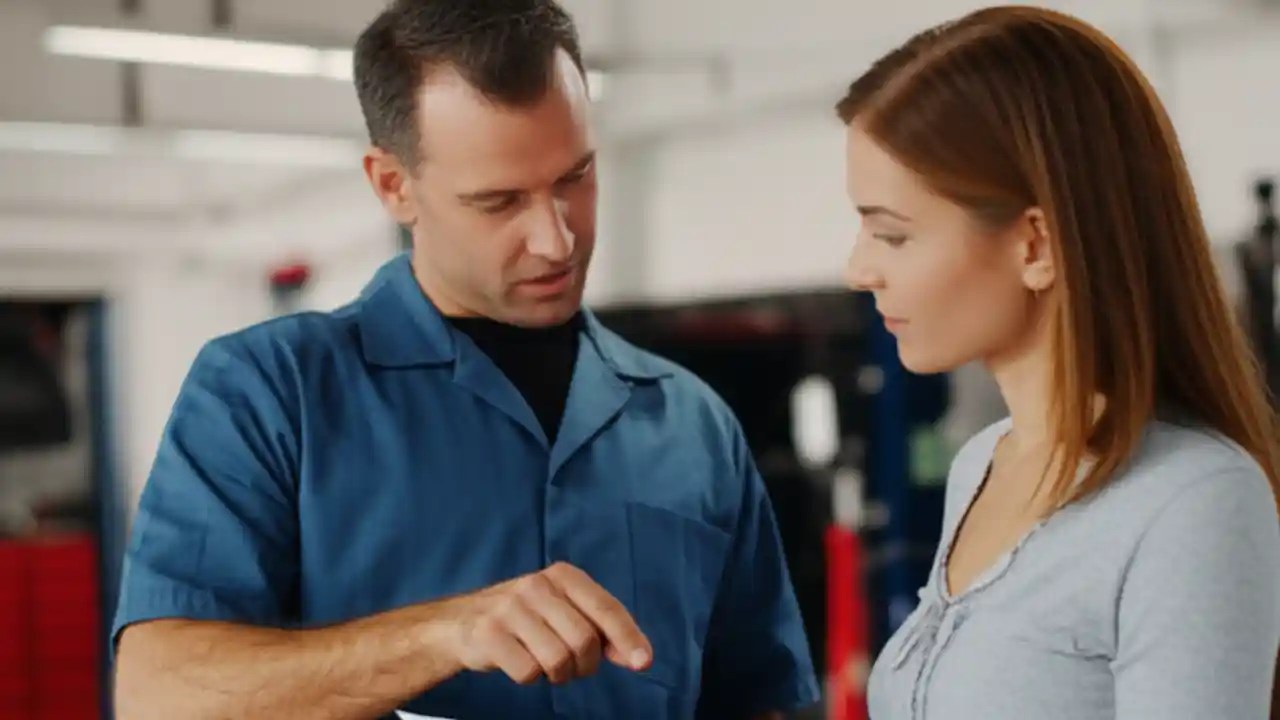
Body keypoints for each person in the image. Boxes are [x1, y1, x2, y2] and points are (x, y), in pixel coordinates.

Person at [109, 1, 819, 718]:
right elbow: (161, 696)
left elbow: (760, 695)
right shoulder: (268, 393)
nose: (555, 240)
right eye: (499, 201)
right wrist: (442, 635)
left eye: (575, 178)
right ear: (393, 185)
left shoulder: (693, 424)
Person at [836, 6, 1280, 719]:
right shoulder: (980, 466)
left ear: (1036, 245)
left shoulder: (1192, 501)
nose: (859, 270)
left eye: (892, 235)